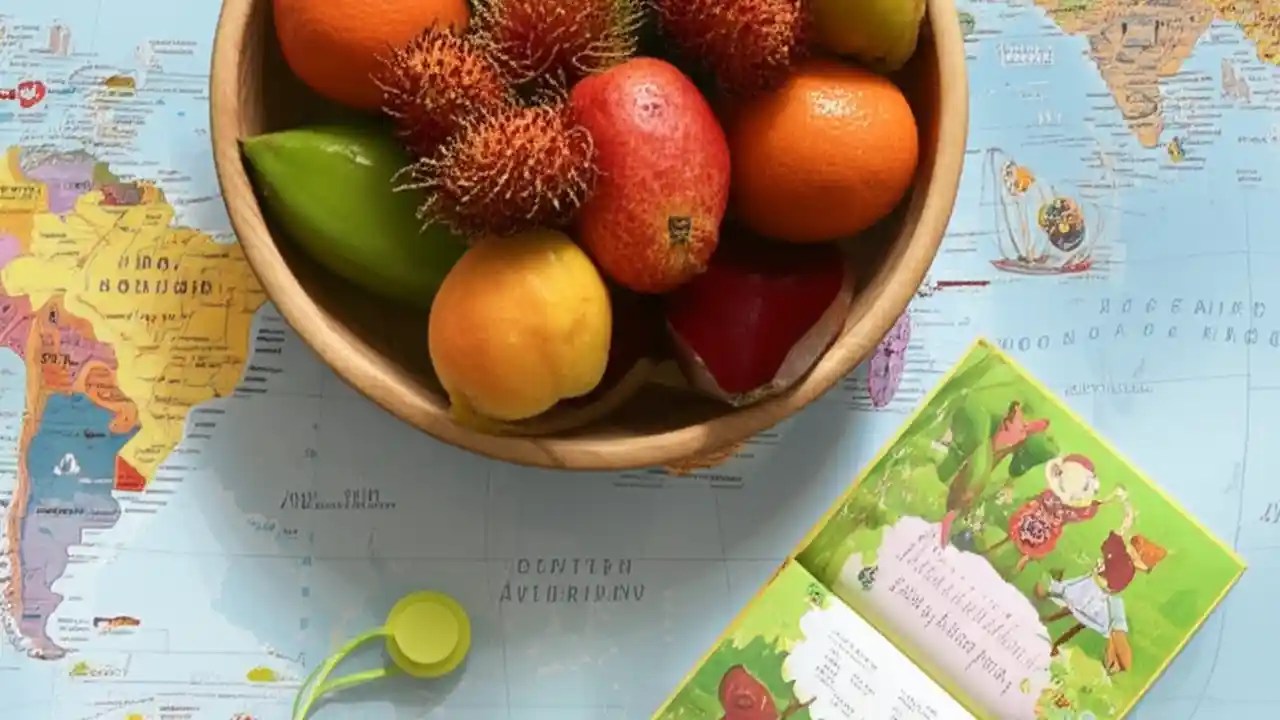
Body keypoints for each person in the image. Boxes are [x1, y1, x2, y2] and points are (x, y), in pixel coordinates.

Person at [1033, 497, 1167, 674]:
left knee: (1079, 615)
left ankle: (1054, 636)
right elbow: (1113, 548)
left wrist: (1125, 523)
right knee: (1073, 607)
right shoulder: (1125, 562)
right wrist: (1126, 521)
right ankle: (1048, 620)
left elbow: (1113, 563)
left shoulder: (1126, 566)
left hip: (1096, 593)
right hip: (1091, 589)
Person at [983, 454, 1123, 573]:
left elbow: (1086, 504)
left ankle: (1000, 560)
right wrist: (1111, 498)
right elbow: (1088, 506)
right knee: (1024, 551)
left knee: (1015, 543)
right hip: (1040, 529)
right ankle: (1008, 567)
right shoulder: (1067, 509)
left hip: (1032, 521)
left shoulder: (1054, 497)